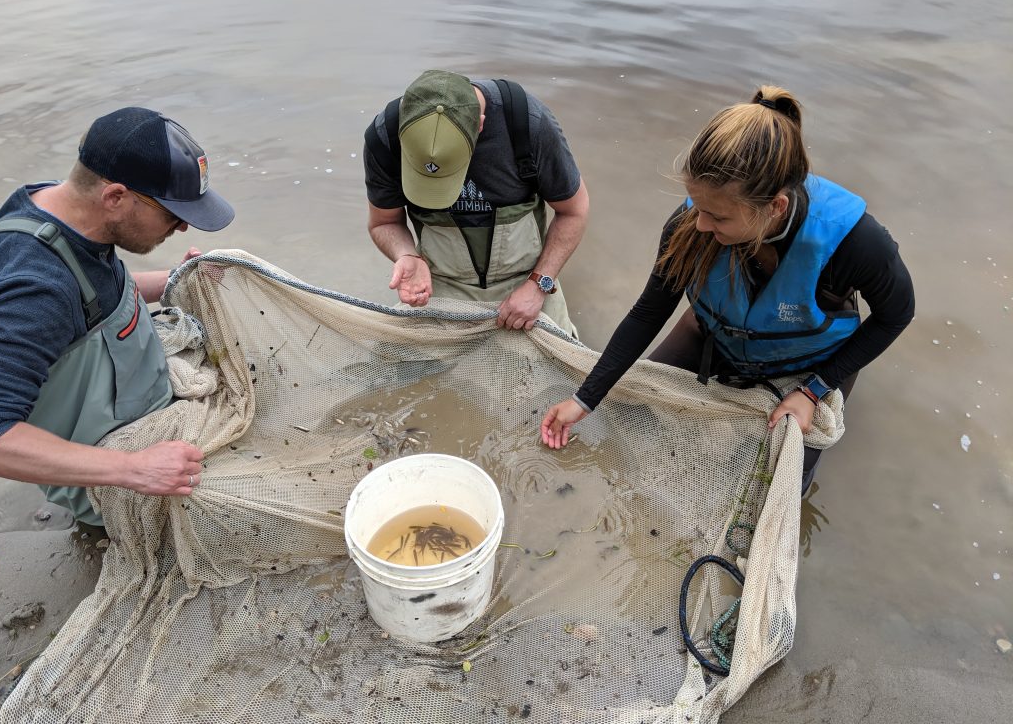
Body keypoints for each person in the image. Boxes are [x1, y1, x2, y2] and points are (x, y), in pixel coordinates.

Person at [541, 86, 915, 494]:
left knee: (779, 489)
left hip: (812, 364)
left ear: (775, 207)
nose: (699, 224)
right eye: (696, 206)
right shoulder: (691, 223)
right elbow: (648, 312)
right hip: (716, 335)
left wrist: (815, 390)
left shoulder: (857, 242)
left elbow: (895, 315)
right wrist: (584, 398)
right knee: (631, 416)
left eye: (717, 216)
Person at [0, 107, 236, 526]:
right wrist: (134, 469)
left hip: (145, 404)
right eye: (173, 214)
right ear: (115, 197)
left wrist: (178, 277)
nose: (181, 229)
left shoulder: (59, 209)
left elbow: (92, 299)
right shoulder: (36, 288)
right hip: (111, 476)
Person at [364, 69, 589, 337]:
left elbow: (574, 212)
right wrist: (407, 255)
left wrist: (539, 285)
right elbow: (384, 222)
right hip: (440, 284)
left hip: (526, 281)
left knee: (557, 375)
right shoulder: (384, 138)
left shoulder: (528, 123)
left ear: (480, 125)